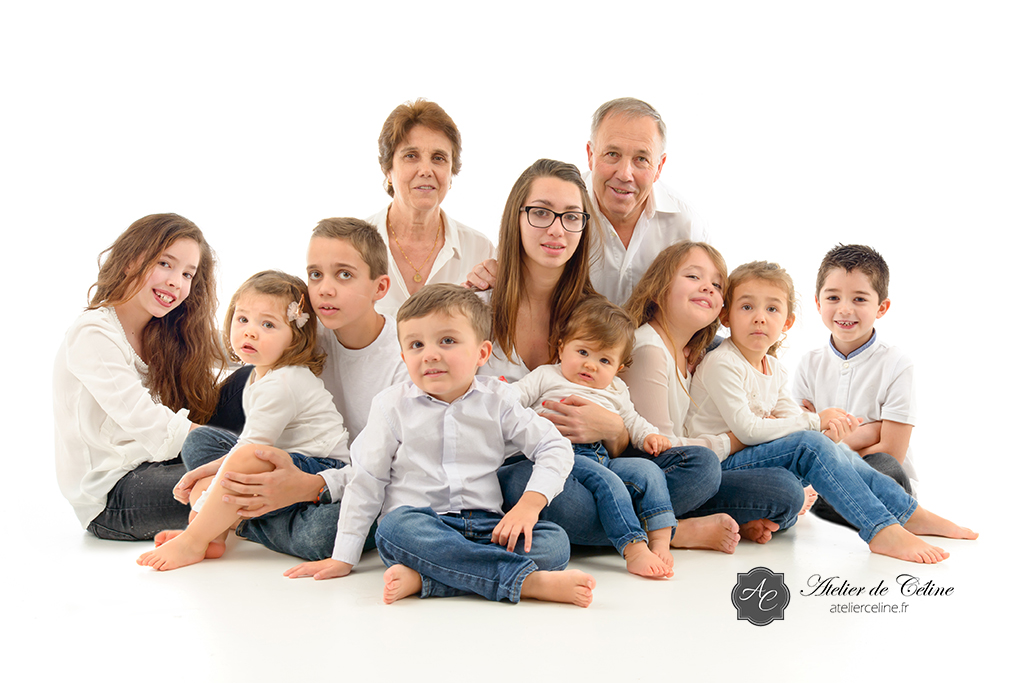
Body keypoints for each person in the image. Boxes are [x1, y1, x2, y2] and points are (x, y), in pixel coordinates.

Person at [285, 284, 596, 608]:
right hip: (423, 524)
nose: (430, 354)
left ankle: (429, 578)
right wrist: (343, 557)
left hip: (487, 525)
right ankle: (527, 582)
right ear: (404, 357)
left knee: (555, 543)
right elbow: (368, 480)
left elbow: (554, 446)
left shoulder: (498, 399)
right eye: (416, 345)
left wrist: (529, 506)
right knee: (392, 529)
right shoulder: (392, 406)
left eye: (447, 341)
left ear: (482, 353)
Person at [482, 159, 726, 552]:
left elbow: (623, 418)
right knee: (561, 500)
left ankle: (625, 527)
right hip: (520, 468)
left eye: (572, 217)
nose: (557, 229)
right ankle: (667, 530)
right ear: (517, 217)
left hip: (601, 464)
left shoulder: (594, 315)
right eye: (541, 213)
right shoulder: (476, 308)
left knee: (701, 468)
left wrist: (611, 429)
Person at [686, 260, 977, 563]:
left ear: (787, 322)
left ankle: (909, 513)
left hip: (748, 461)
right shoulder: (723, 363)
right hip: (717, 465)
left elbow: (793, 423)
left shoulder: (773, 368)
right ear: (725, 316)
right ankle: (881, 529)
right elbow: (750, 430)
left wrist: (824, 428)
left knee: (823, 446)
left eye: (772, 309)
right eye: (747, 308)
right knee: (809, 445)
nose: (760, 318)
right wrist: (815, 422)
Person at [173, 218, 408, 561]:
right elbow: (242, 344)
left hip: (358, 481)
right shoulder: (301, 338)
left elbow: (397, 470)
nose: (325, 289)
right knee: (201, 442)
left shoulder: (403, 360)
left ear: (380, 287)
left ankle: (229, 519)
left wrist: (308, 487)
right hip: (288, 461)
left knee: (321, 536)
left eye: (344, 275)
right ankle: (240, 513)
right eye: (315, 274)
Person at [138, 271, 349, 570]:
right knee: (201, 440)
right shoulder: (260, 374)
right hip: (278, 459)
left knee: (317, 532)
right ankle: (218, 532)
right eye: (243, 319)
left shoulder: (284, 383)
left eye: (268, 324)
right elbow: (244, 450)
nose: (250, 332)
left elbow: (250, 451)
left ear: (295, 338)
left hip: (320, 468)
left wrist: (202, 501)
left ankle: (196, 538)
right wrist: (204, 475)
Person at [620, 242, 806, 548]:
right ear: (657, 289)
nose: (707, 287)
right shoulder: (649, 350)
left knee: (790, 482)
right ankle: (673, 528)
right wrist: (736, 439)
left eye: (717, 284)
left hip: (694, 467)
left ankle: (737, 519)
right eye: (693, 277)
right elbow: (659, 452)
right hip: (661, 478)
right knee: (784, 490)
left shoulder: (696, 353)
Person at [53, 213, 223, 541]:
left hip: (160, 463)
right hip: (113, 496)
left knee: (248, 376)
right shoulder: (93, 334)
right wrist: (235, 449)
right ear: (131, 260)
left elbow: (240, 341)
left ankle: (283, 477)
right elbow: (144, 419)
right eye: (165, 264)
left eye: (188, 273)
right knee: (239, 479)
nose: (177, 281)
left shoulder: (164, 329)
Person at [466, 97, 708, 307]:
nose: (625, 174)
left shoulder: (685, 225)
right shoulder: (560, 207)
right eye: (612, 154)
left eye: (641, 159)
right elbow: (513, 268)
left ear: (659, 167)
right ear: (591, 155)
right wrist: (491, 274)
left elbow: (708, 303)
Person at [513, 296, 676, 578]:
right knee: (609, 483)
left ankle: (661, 539)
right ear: (562, 348)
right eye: (583, 352)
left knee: (649, 471)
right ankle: (633, 548)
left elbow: (632, 419)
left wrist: (649, 435)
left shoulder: (616, 390)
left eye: (604, 360)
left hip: (601, 457)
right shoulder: (546, 376)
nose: (590, 365)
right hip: (562, 457)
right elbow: (511, 400)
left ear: (619, 367)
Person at [791, 244, 915, 528]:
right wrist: (869, 430)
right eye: (833, 297)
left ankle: (837, 502)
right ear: (818, 302)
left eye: (859, 299)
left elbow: (891, 450)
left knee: (886, 470)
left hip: (875, 478)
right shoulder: (809, 363)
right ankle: (827, 503)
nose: (844, 309)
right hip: (819, 485)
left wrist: (828, 446)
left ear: (881, 307)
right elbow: (799, 436)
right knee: (777, 477)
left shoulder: (897, 364)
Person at [366, 99, 494, 316]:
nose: (426, 170)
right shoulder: (353, 246)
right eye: (411, 156)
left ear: (451, 172)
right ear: (388, 169)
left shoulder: (480, 250)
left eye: (438, 158)